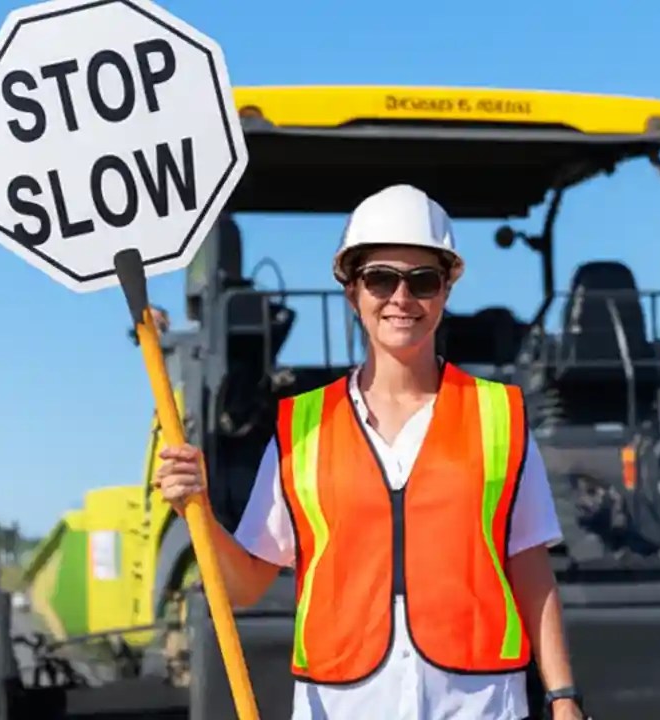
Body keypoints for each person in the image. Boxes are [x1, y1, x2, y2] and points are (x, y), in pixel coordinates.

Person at [155, 184, 589, 720]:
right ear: (352, 291)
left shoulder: (501, 418)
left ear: (446, 292)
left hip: (479, 706)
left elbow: (530, 569)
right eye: (381, 279)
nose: (401, 299)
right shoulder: (301, 430)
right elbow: (244, 584)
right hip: (342, 706)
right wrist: (195, 509)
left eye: (422, 281)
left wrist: (563, 696)